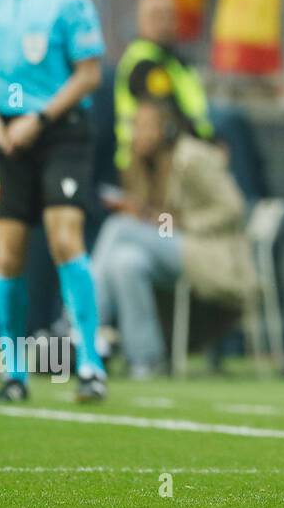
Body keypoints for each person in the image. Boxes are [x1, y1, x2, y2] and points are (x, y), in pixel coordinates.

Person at [0, 0, 107, 401]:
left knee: (64, 237)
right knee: (5, 252)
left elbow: (89, 74)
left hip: (61, 131)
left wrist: (40, 119)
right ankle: (15, 373)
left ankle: (90, 364)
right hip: (8, 135)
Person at [94, 98, 256, 376]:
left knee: (118, 228)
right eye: (134, 126)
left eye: (144, 126)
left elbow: (233, 207)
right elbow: (156, 218)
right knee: (126, 262)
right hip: (170, 251)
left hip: (208, 254)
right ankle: (146, 359)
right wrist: (141, 210)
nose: (136, 133)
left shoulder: (192, 157)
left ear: (166, 130)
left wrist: (182, 223)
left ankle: (79, 326)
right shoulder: (140, 163)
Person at [113, 0, 213, 171]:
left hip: (186, 150)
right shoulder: (143, 63)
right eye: (156, 17)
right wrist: (205, 145)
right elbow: (167, 115)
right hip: (148, 161)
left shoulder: (176, 61)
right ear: (140, 22)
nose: (164, 24)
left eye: (169, 17)